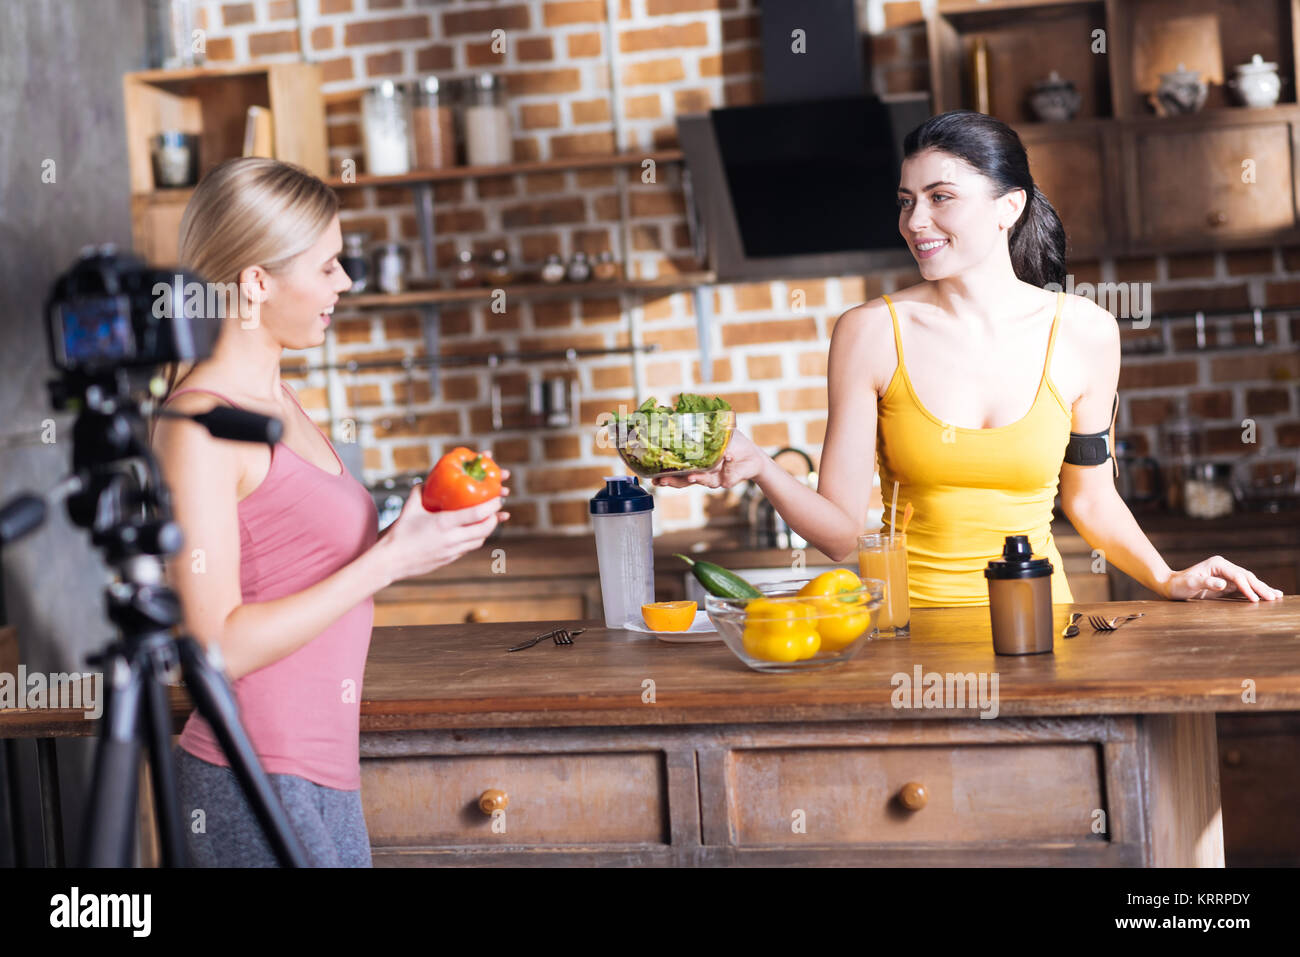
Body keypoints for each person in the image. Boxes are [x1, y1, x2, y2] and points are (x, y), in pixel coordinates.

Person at [656, 110, 1283, 606]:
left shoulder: (1086, 332)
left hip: (1039, 627)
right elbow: (844, 534)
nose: (915, 220)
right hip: (909, 641)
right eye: (906, 200)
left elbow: (1089, 499)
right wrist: (763, 466)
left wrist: (1166, 577)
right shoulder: (870, 334)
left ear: (1008, 207)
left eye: (940, 197)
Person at [150, 157, 512, 866]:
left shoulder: (279, 402)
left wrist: (418, 534)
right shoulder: (198, 422)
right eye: (326, 267)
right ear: (257, 282)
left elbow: (293, 567)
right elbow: (216, 647)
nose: (344, 283)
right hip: (249, 776)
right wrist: (389, 559)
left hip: (320, 776)